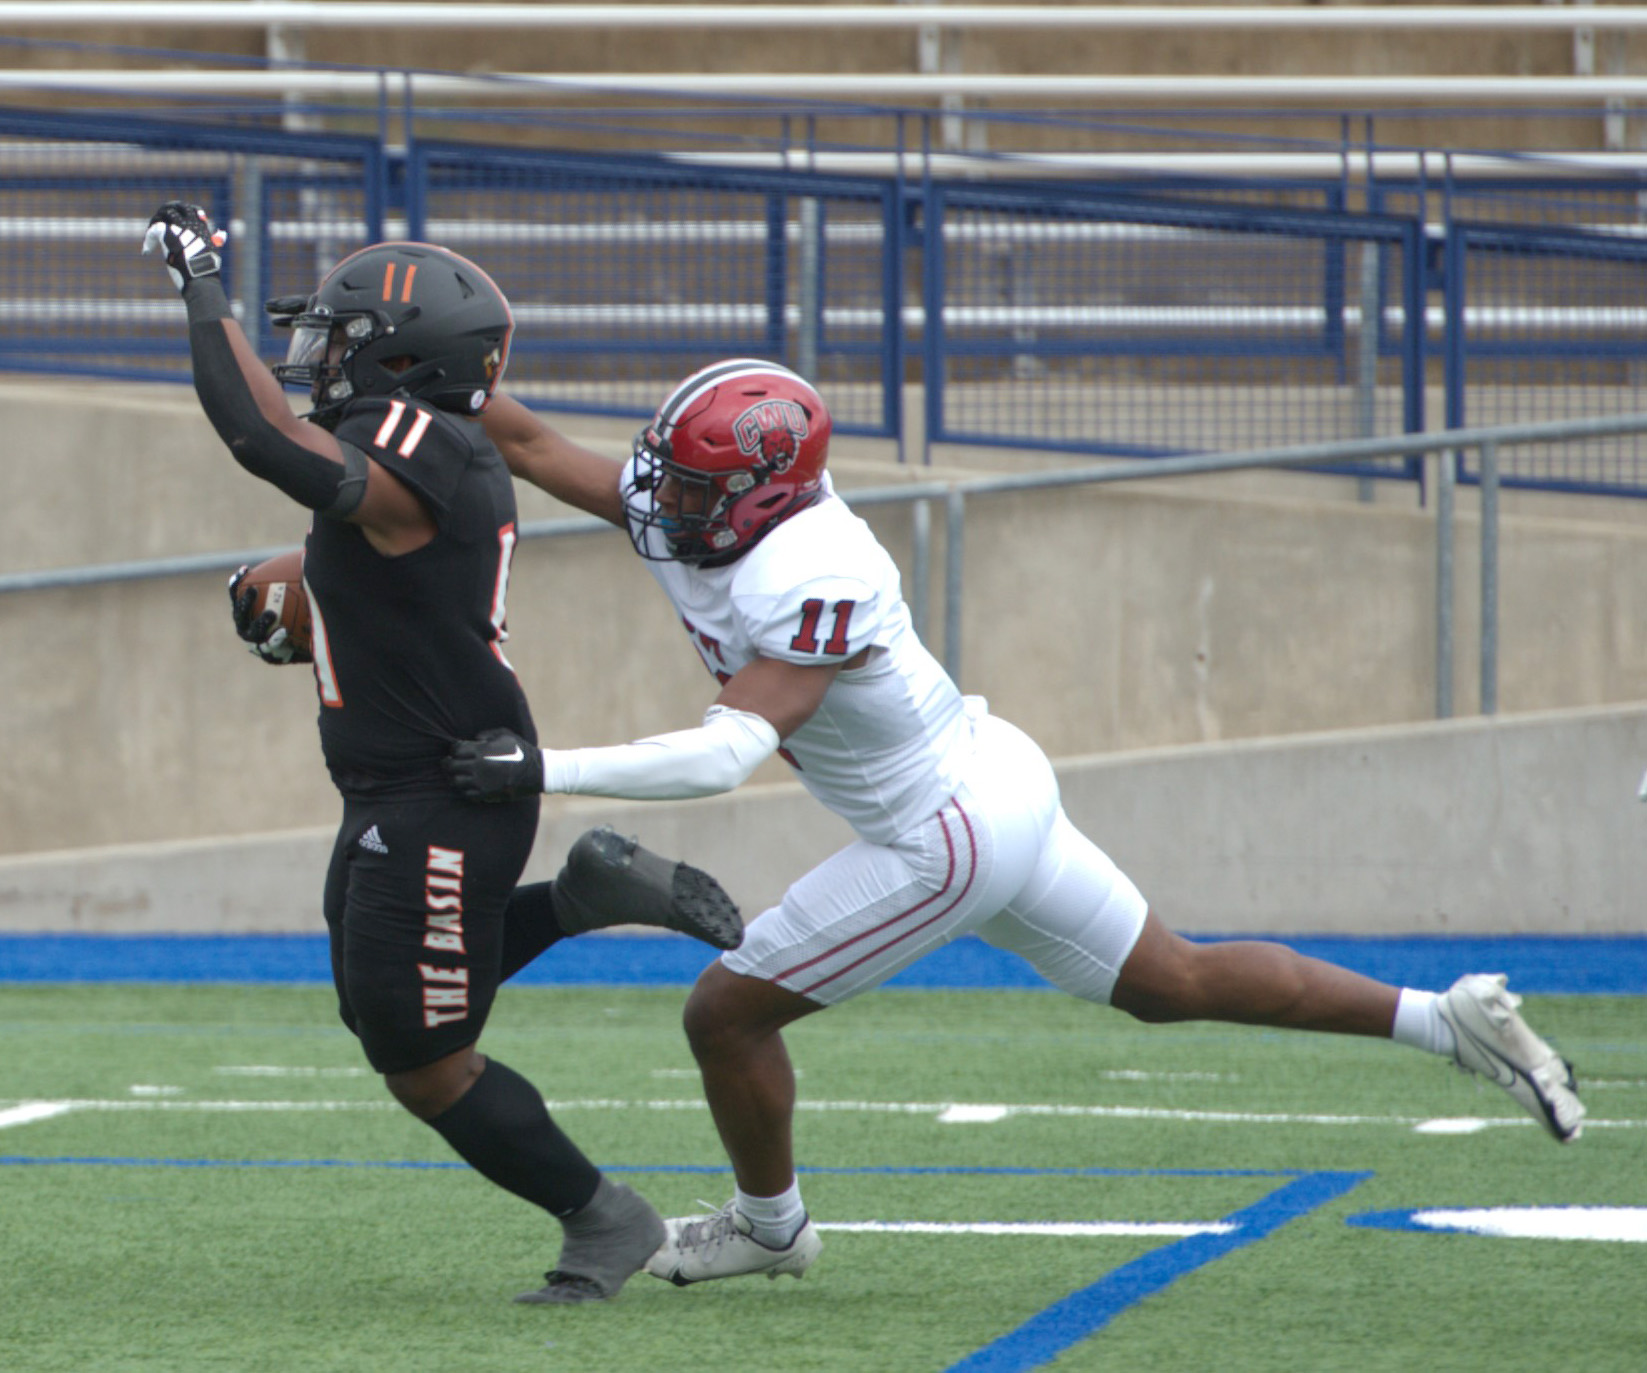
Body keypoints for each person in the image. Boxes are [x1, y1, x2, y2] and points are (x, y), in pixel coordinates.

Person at [444, 357, 1587, 1287]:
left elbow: (728, 751)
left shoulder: (810, 561)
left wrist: (545, 765)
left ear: (765, 495)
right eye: (667, 478)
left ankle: (769, 1223)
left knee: (724, 1013)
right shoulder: (706, 513)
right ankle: (1448, 1020)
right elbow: (539, 448)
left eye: (692, 490)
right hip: (993, 774)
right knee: (1169, 981)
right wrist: (429, 375)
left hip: (940, 830)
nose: (659, 503)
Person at [142, 203, 745, 1304]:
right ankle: (576, 896)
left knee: (423, 1060)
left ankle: (603, 1220)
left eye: (340, 337)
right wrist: (300, 585)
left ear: (405, 359)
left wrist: (202, 285)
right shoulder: (435, 444)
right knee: (379, 1004)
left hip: (441, 789)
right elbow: (387, 557)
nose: (318, 356)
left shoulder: (421, 443)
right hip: (401, 783)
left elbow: (263, 436)